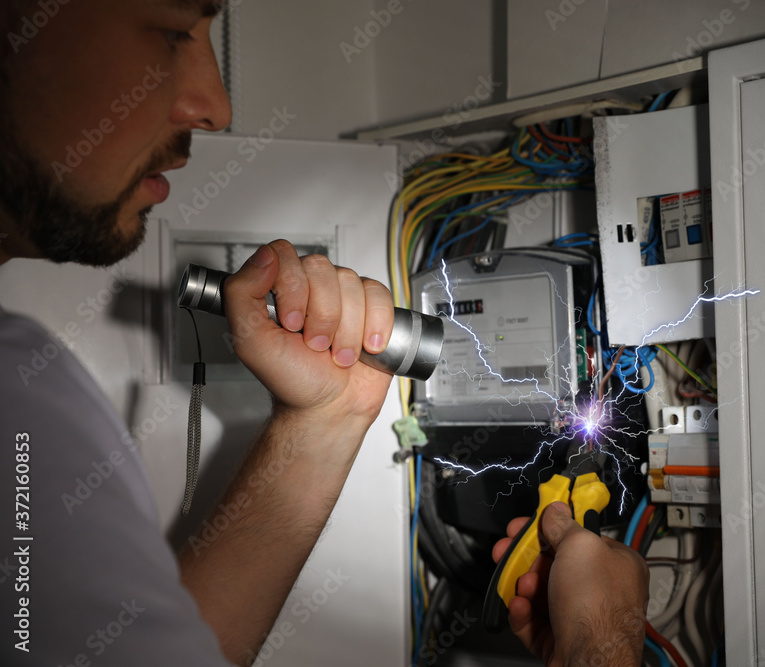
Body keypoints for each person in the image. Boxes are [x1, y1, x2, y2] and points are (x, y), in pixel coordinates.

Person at [0, 1, 648, 665]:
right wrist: (603, 640)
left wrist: (325, 417)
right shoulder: (19, 394)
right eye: (171, 32)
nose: (214, 106)